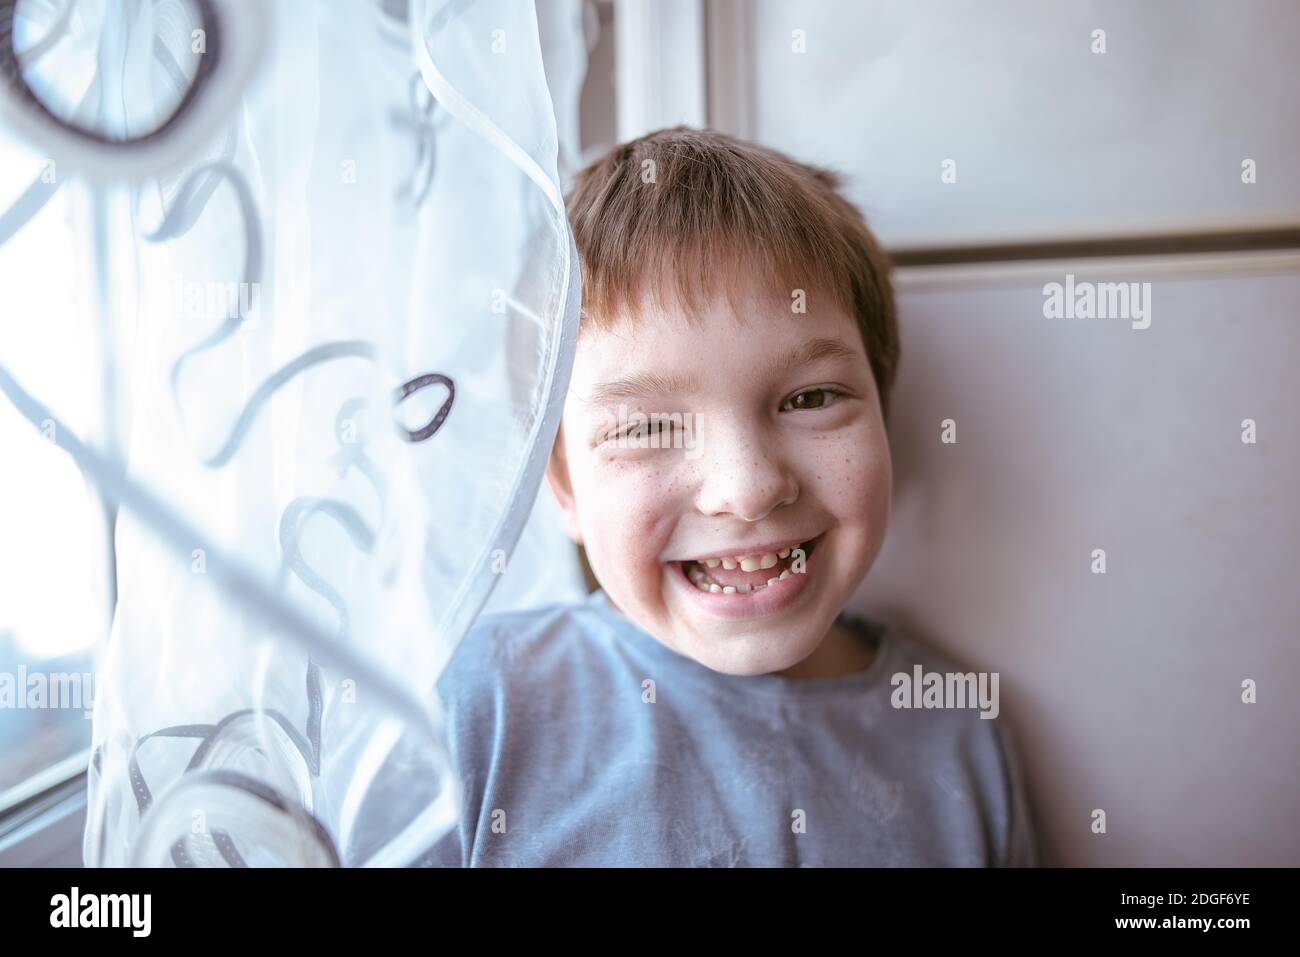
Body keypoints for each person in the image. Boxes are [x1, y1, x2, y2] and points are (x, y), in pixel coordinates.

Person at [418, 126, 1038, 867]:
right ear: (563, 486)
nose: (746, 488)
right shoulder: (477, 709)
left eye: (810, 397)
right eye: (649, 425)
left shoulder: (956, 737)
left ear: (884, 413)